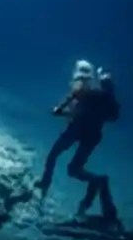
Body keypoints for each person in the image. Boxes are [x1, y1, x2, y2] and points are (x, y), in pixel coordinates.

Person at [36, 60, 121, 222]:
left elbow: (70, 104)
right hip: (87, 134)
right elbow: (71, 104)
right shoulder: (97, 93)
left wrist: (60, 111)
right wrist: (61, 110)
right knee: (67, 164)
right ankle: (91, 189)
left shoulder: (95, 94)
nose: (79, 84)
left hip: (81, 132)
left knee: (63, 162)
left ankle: (89, 190)